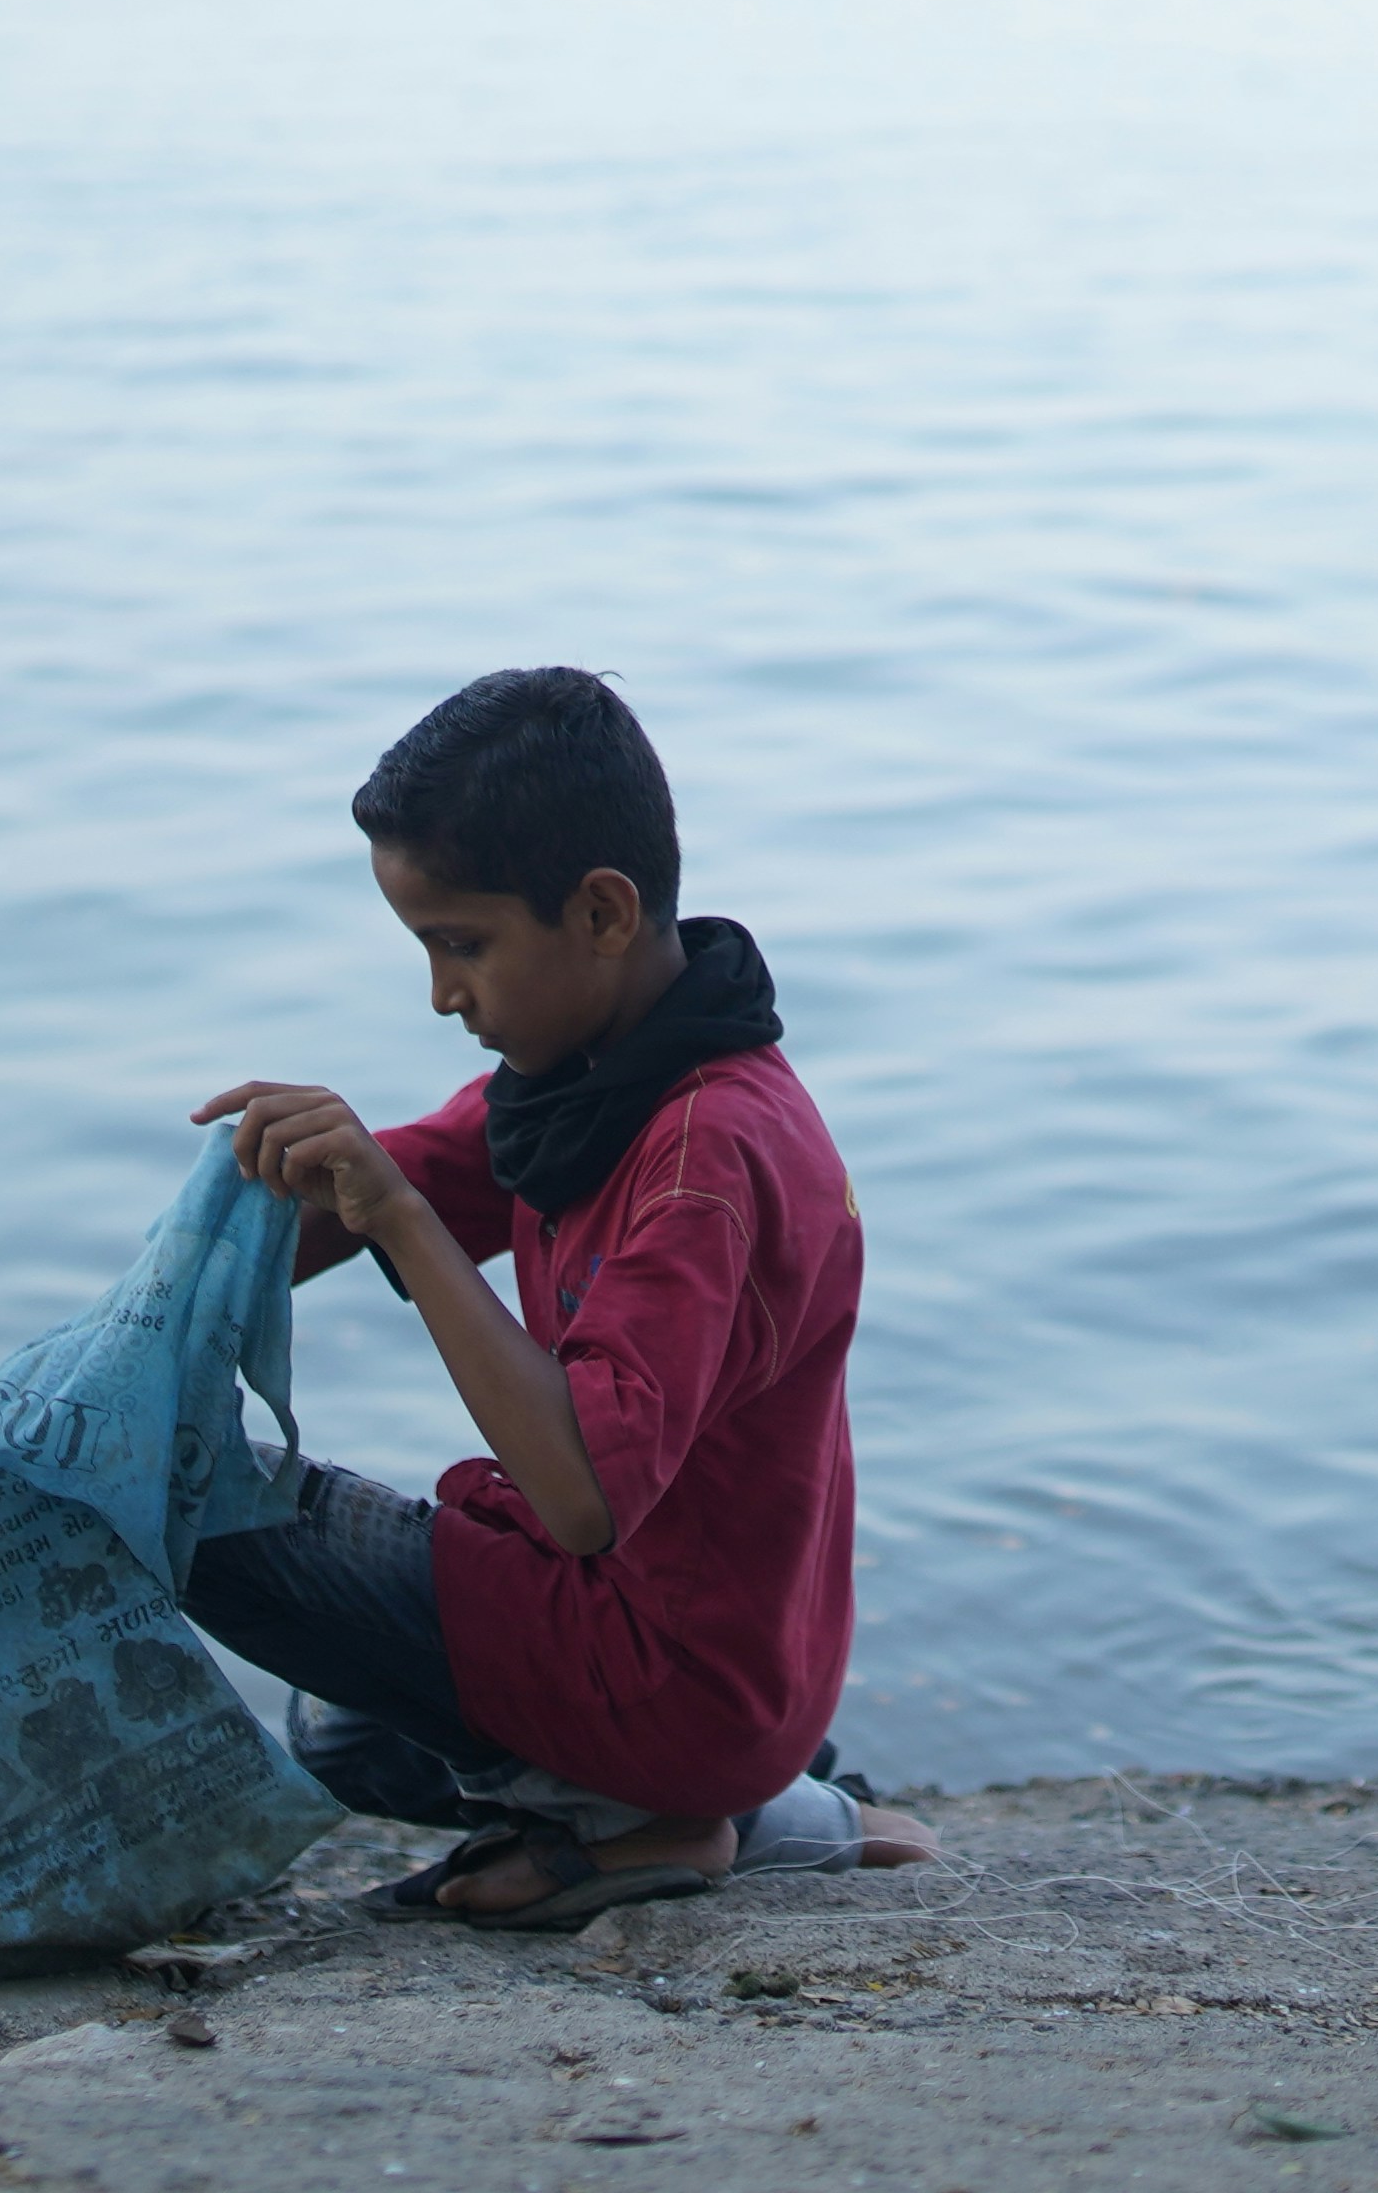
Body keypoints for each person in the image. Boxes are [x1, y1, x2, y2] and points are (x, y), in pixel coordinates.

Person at [192, 667, 931, 1924]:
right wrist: (176, 1283)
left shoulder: (704, 1157)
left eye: (462, 945)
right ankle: (763, 1811)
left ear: (599, 912)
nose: (442, 994)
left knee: (190, 1505)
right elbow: (396, 1180)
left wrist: (406, 1225)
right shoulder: (594, 1079)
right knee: (343, 1741)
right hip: (744, 1674)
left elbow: (583, 1495)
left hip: (671, 1672)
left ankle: (645, 1822)